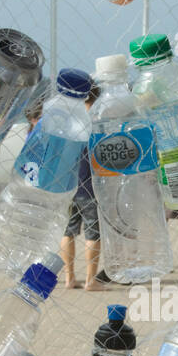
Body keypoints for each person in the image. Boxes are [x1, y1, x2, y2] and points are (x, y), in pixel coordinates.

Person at [60, 84, 108, 291]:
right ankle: (90, 279)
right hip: (92, 187)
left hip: (68, 186)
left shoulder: (68, 123)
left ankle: (69, 277)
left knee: (68, 232)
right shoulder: (99, 124)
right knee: (92, 234)